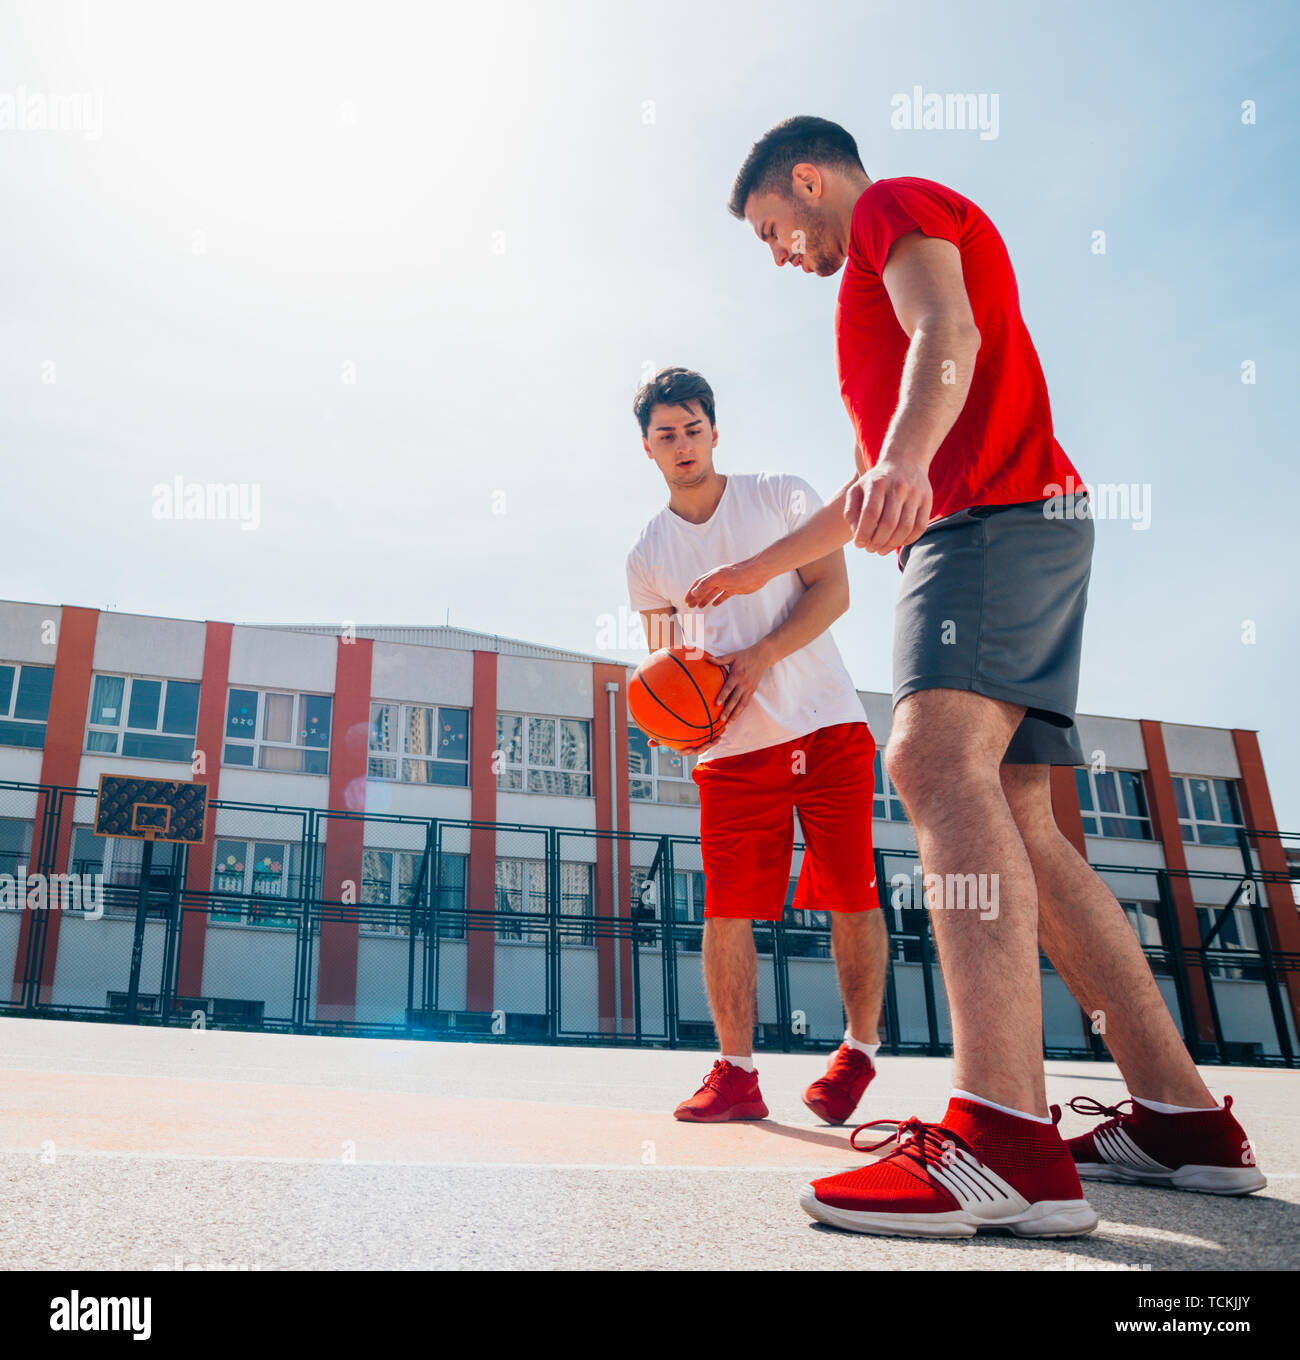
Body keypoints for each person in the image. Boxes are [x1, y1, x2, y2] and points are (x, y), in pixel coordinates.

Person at [682, 116, 1265, 1237]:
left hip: (986, 523)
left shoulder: (889, 209)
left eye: (771, 228)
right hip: (1024, 522)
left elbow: (945, 329)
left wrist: (909, 459)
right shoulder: (881, 321)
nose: (778, 255)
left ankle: (1000, 1136)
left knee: (930, 758)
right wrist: (746, 570)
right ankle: (1182, 1118)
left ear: (810, 182)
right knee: (1020, 822)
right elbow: (861, 490)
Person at [627, 365, 887, 1126]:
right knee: (727, 909)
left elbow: (834, 592)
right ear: (646, 447)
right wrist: (681, 724)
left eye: (694, 429)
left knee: (849, 891)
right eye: (666, 434)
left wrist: (764, 654)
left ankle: (859, 1051)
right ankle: (736, 1073)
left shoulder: (781, 496)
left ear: (715, 430)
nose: (683, 445)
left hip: (825, 719)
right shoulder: (647, 555)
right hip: (733, 750)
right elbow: (666, 667)